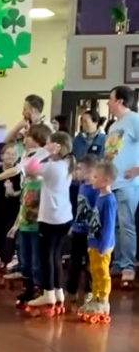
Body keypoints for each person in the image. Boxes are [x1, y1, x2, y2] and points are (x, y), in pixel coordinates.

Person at [0, 122, 51, 305]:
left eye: (28, 136)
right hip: (26, 202)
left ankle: (39, 287)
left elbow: (17, 170)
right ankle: (29, 286)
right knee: (25, 250)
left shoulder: (42, 155)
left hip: (37, 206)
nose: (24, 138)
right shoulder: (27, 154)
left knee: (35, 251)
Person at [25, 131, 74, 315]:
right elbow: (38, 176)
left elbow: (30, 168)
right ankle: (58, 292)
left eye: (49, 143)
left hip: (51, 219)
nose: (46, 145)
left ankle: (48, 293)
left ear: (57, 147)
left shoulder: (54, 166)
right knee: (55, 256)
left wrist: (43, 152)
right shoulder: (67, 164)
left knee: (46, 256)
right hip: (64, 217)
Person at [104, 85, 139, 284]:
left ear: (120, 101)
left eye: (110, 99)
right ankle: (117, 262)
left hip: (128, 183)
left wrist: (137, 169)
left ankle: (128, 265)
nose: (108, 103)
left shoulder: (134, 120)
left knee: (126, 224)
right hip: (112, 183)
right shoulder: (113, 126)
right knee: (114, 224)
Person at [83, 159, 118, 319]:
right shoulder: (99, 197)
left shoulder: (109, 200)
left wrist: (104, 245)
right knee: (94, 271)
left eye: (96, 177)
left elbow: (109, 225)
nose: (93, 179)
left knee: (102, 273)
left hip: (102, 245)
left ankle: (103, 301)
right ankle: (96, 297)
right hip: (94, 243)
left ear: (106, 181)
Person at [66, 156, 98, 305]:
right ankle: (71, 290)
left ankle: (89, 291)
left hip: (90, 233)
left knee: (90, 263)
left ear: (91, 170)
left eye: (80, 169)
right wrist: (74, 226)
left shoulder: (95, 190)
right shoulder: (81, 186)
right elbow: (79, 210)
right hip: (79, 231)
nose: (77, 172)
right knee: (75, 262)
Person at [0, 142, 21, 267]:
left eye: (13, 154)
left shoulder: (19, 174)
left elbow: (21, 193)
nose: (10, 156)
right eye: (8, 153)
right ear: (2, 156)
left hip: (13, 207)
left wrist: (12, 192)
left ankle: (8, 255)